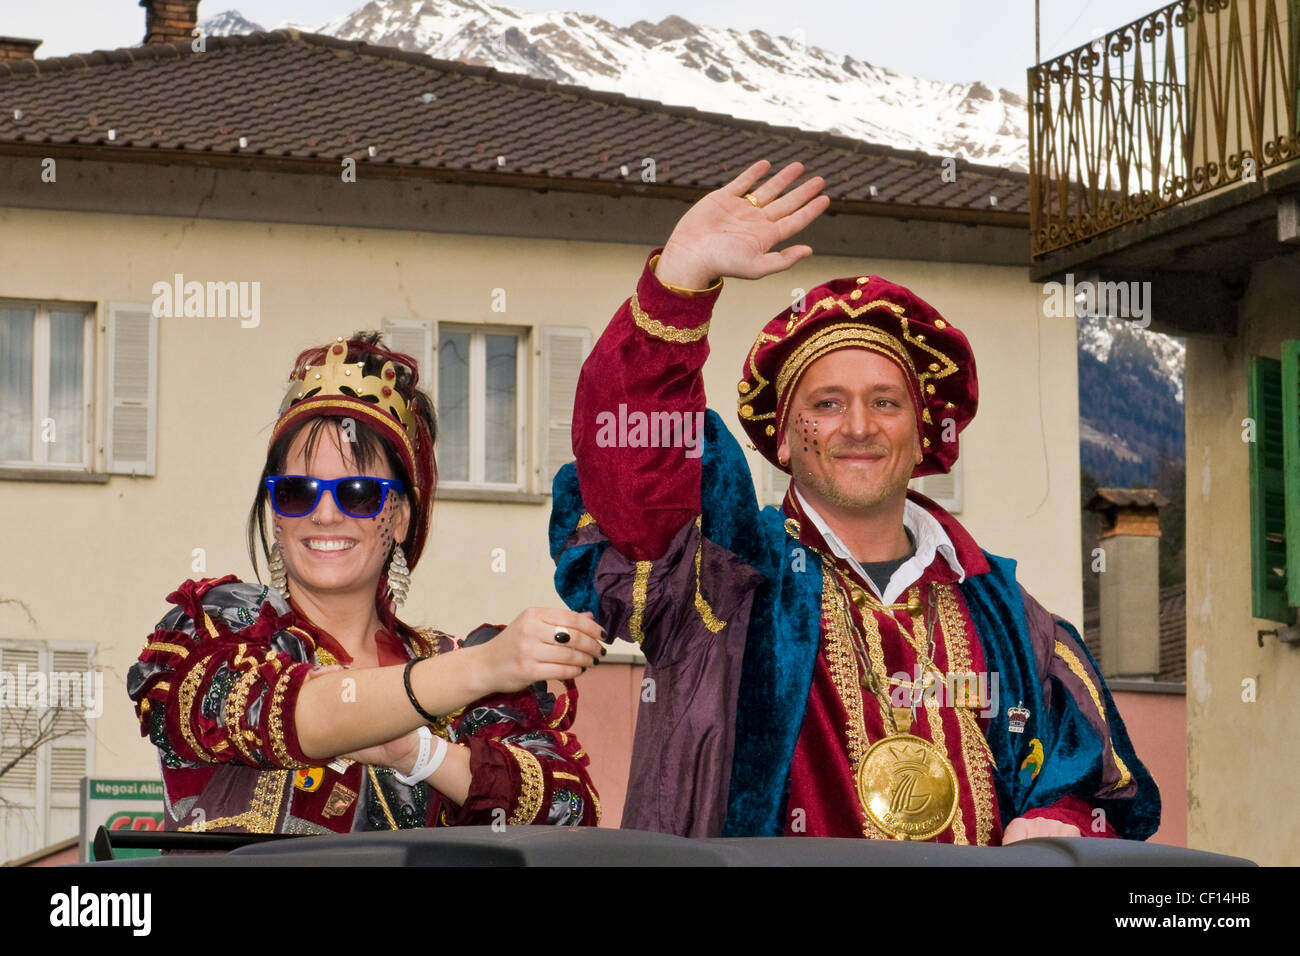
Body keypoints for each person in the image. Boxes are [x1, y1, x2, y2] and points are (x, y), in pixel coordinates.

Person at [549, 160, 1160, 843]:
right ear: (781, 441)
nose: (860, 427)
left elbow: (1098, 781)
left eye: (885, 403)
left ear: (921, 432)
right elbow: (636, 475)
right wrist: (679, 283)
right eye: (827, 405)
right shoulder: (726, 576)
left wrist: (1060, 821)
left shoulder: (1011, 616)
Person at [128, 332, 604, 836]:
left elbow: (569, 813)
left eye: (359, 493)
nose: (325, 514)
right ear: (275, 516)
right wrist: (485, 666)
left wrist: (417, 751)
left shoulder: (457, 670)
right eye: (297, 492)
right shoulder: (216, 628)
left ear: (399, 517)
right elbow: (287, 711)